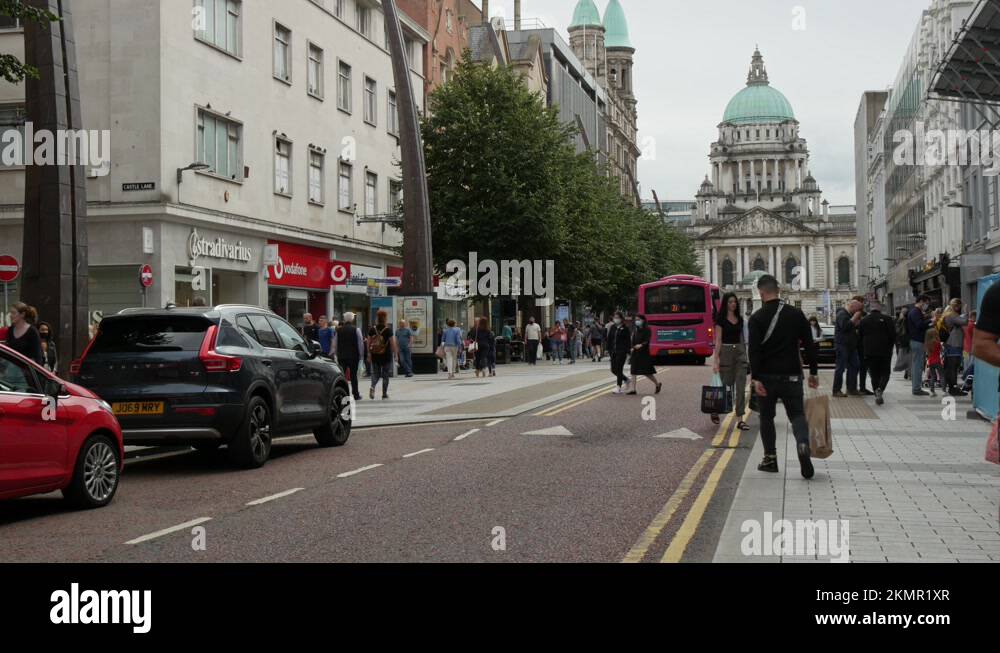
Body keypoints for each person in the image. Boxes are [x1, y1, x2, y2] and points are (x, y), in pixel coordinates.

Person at [747, 275, 819, 479]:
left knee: (767, 417)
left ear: (761, 293)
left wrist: (756, 378)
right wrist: (813, 372)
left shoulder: (757, 318)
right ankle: (803, 443)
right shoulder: (796, 314)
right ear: (778, 291)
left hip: (767, 377)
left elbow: (754, 351)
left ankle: (770, 459)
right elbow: (809, 345)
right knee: (797, 415)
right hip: (792, 376)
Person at [712, 292, 750, 430]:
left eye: (734, 302)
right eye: (730, 302)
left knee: (741, 387)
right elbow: (718, 341)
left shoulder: (740, 319)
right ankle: (715, 410)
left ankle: (740, 419)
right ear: (725, 304)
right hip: (726, 353)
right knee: (725, 386)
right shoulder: (720, 320)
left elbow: (743, 339)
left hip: (740, 353)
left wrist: (747, 357)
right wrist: (715, 361)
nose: (733, 304)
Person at [859, 302, 896, 406]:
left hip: (870, 351)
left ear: (870, 309)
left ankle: (876, 392)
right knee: (885, 372)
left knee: (874, 373)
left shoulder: (864, 320)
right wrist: (891, 346)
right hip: (885, 351)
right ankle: (880, 388)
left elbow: (860, 336)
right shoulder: (887, 319)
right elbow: (893, 335)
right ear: (880, 308)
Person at [832, 296, 863, 398]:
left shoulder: (849, 314)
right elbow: (845, 327)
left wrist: (856, 323)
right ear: (852, 306)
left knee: (855, 365)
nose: (858, 312)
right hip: (842, 345)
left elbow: (852, 327)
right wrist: (854, 318)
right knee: (840, 368)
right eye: (857, 309)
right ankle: (836, 390)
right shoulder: (842, 314)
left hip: (850, 346)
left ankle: (851, 388)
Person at [332, 312, 364, 401]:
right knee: (353, 376)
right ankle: (356, 394)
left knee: (342, 376)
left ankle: (343, 394)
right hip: (354, 356)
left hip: (342, 356)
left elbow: (335, 343)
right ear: (352, 319)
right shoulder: (356, 330)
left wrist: (336, 354)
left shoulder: (339, 330)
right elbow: (360, 343)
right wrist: (361, 355)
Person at [941, 298, 969, 396]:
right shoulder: (951, 314)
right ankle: (953, 388)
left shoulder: (947, 313)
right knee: (953, 366)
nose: (960, 308)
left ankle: (950, 386)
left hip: (951, 343)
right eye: (959, 306)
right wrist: (966, 312)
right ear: (956, 306)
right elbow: (964, 321)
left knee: (951, 366)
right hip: (954, 343)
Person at [627, 314, 662, 395]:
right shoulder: (635, 329)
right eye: (636, 319)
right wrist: (632, 347)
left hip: (644, 353)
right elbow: (633, 339)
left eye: (638, 319)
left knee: (647, 372)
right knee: (633, 371)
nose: (637, 321)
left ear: (643, 320)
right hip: (635, 353)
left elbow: (647, 340)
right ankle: (633, 389)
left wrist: (641, 345)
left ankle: (657, 384)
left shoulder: (647, 329)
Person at [367, 310, 396, 400]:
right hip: (386, 355)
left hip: (375, 354)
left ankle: (372, 386)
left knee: (376, 374)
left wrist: (369, 353)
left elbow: (368, 342)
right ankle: (384, 394)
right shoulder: (388, 330)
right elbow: (392, 343)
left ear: (377, 318)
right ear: (385, 319)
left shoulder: (372, 329)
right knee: (385, 375)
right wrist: (395, 354)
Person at [908, 295, 933, 396]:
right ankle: (917, 389)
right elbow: (919, 325)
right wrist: (931, 321)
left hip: (916, 341)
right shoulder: (915, 311)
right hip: (917, 341)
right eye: (926, 303)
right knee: (917, 366)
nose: (926, 305)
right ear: (921, 301)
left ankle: (916, 387)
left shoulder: (914, 311)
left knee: (917, 365)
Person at [607, 311, 632, 394]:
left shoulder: (625, 328)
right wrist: (608, 349)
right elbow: (609, 339)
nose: (616, 319)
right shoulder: (613, 327)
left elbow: (628, 341)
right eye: (615, 317)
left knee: (619, 368)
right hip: (613, 351)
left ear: (621, 319)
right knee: (613, 370)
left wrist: (628, 352)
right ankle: (626, 380)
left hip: (621, 352)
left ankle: (618, 387)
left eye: (617, 317)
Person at [925, 326, 944, 396]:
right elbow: (941, 350)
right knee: (942, 375)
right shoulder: (937, 342)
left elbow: (927, 352)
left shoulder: (927, 343)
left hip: (930, 361)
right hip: (937, 361)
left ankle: (932, 391)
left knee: (932, 376)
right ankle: (944, 390)